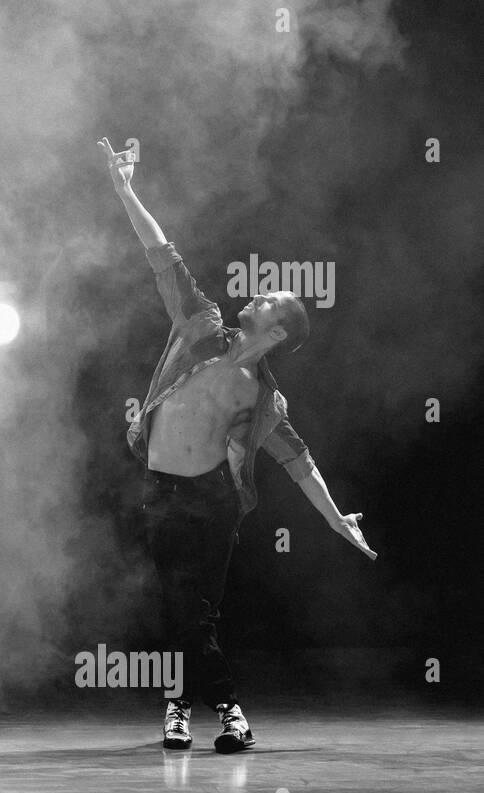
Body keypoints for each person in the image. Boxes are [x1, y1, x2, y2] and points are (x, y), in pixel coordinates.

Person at [97, 137, 377, 753]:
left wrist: (334, 521)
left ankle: (217, 714)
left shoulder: (262, 399)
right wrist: (125, 190)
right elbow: (161, 254)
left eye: (268, 298)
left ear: (276, 330)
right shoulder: (199, 323)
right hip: (161, 492)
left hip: (210, 502)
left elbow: (298, 462)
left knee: (192, 614)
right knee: (180, 612)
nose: (255, 294)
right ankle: (204, 713)